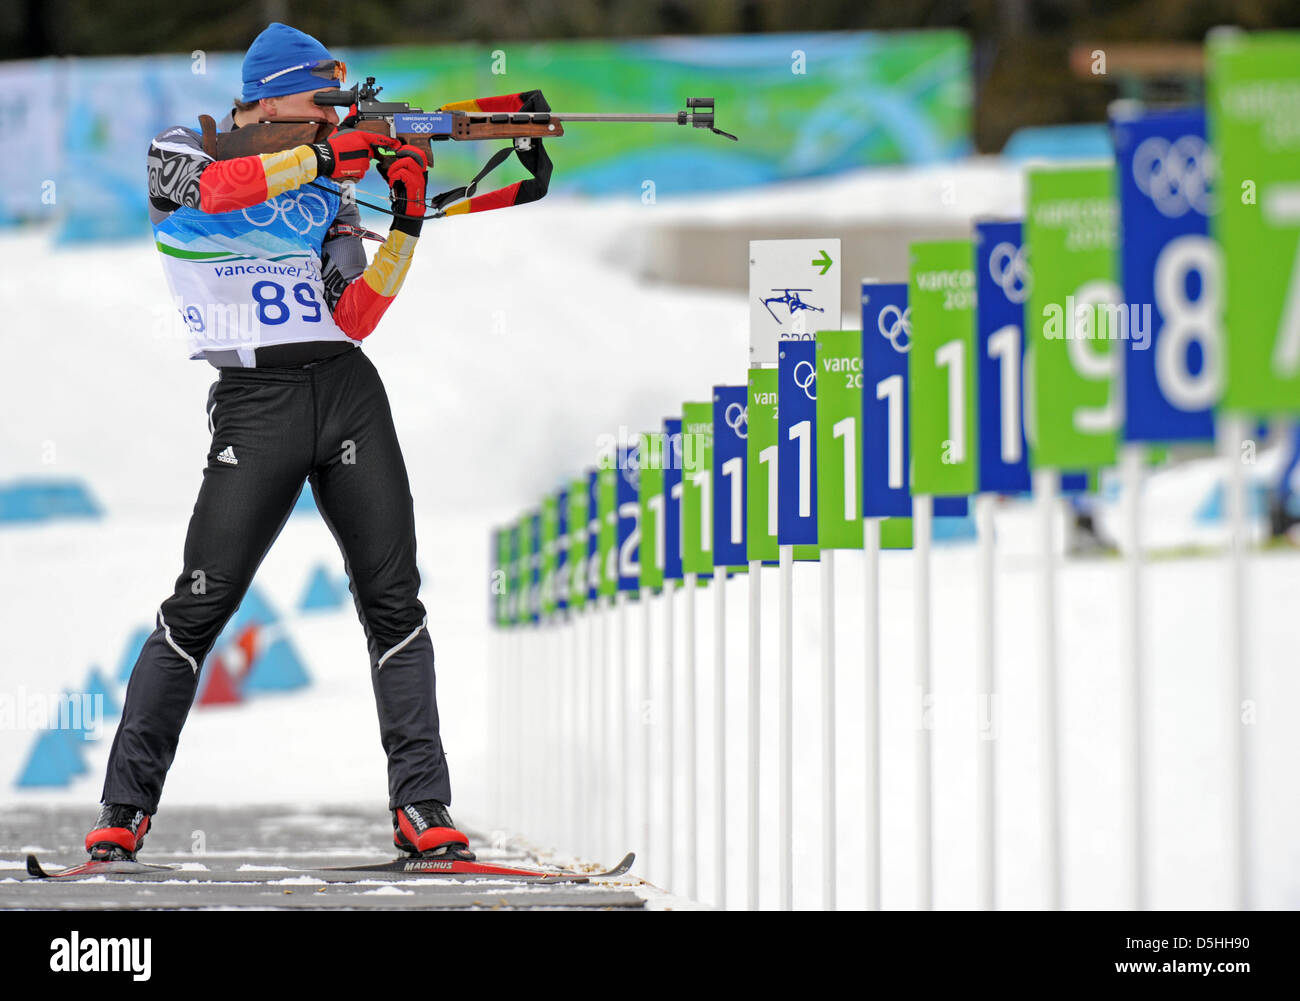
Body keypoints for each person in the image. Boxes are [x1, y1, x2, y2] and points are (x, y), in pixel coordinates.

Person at [85, 22, 472, 863]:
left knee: (394, 604)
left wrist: (405, 220)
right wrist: (328, 157)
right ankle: (124, 809)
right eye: (321, 99)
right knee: (197, 605)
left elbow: (355, 313)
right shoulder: (183, 146)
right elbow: (215, 190)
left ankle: (423, 806)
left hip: (344, 392)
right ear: (267, 97)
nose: (334, 116)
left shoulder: (326, 188)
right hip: (254, 402)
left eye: (341, 103)